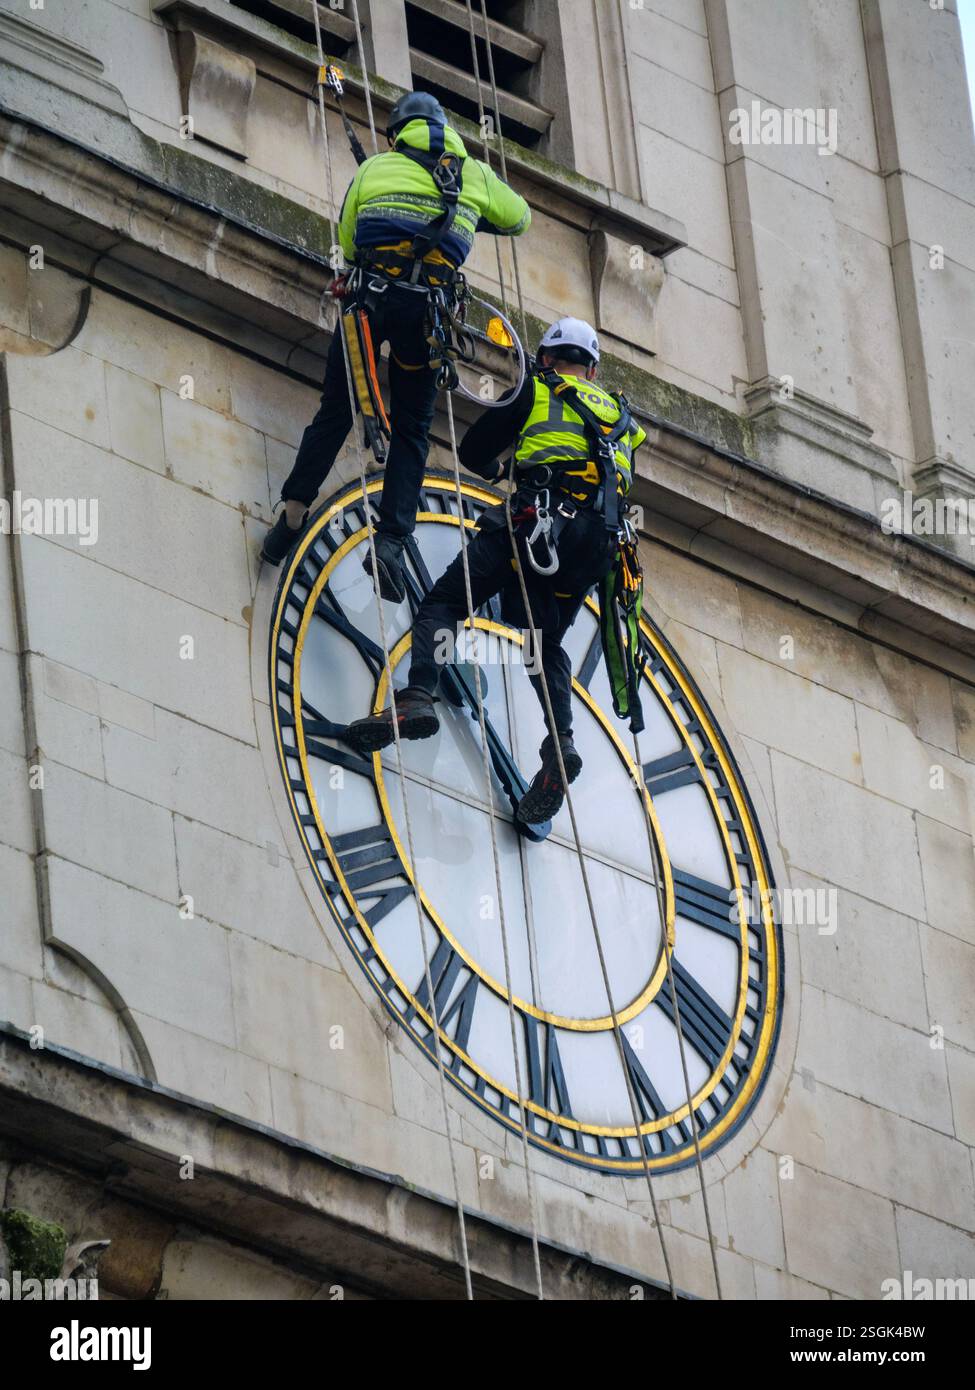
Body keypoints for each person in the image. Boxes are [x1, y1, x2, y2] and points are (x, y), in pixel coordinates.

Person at [346, 317, 647, 824]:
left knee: (444, 602)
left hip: (537, 524)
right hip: (596, 550)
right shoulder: (624, 421)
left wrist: (509, 469)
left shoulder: (537, 390)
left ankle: (417, 697)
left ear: (547, 359)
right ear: (593, 370)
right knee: (543, 644)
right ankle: (560, 744)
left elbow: (474, 451)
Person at [261, 90, 531, 602]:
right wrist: (476, 211)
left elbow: (345, 237)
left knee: (336, 411)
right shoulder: (470, 172)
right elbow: (520, 219)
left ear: (396, 132)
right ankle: (389, 543)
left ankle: (293, 514)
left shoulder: (375, 169)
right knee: (411, 429)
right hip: (427, 318)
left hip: (369, 302)